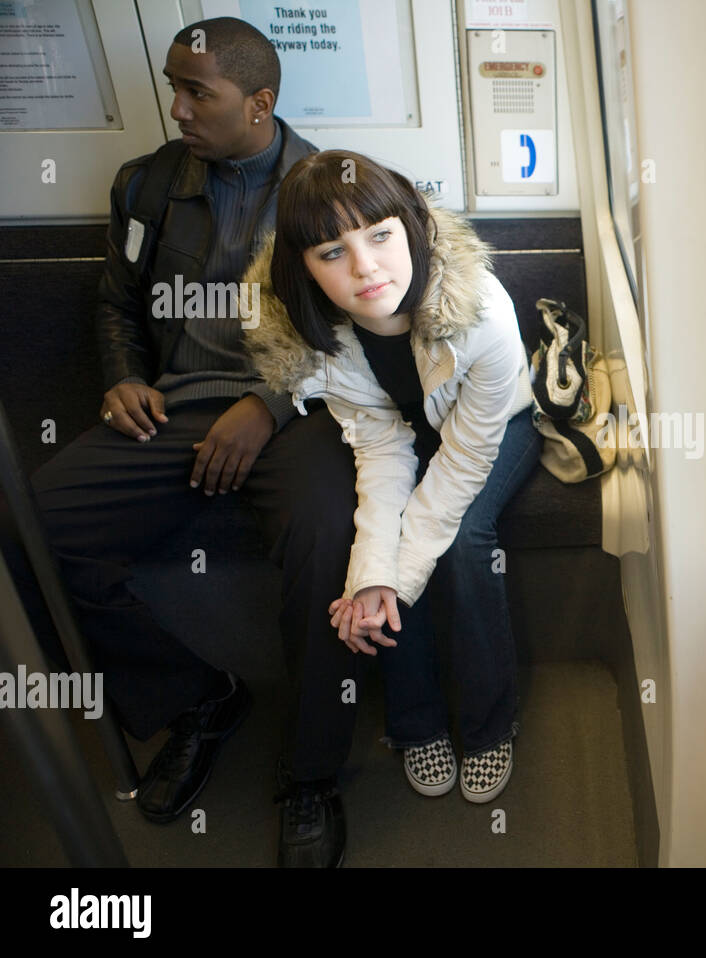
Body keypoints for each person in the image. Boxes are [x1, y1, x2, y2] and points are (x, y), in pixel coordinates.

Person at [2, 18, 354, 867]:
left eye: (199, 92)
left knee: (327, 535)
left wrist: (267, 405)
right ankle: (197, 699)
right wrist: (122, 376)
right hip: (175, 410)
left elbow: (356, 323)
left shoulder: (325, 188)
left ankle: (309, 776)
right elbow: (118, 305)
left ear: (260, 104)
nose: (177, 107)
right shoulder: (148, 185)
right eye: (174, 85)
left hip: (299, 411)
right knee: (31, 529)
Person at [242, 150, 539, 804]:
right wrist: (372, 579)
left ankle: (491, 724)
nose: (365, 266)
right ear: (304, 269)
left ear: (410, 227)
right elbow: (380, 446)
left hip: (496, 426)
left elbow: (462, 460)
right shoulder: (312, 339)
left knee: (459, 542)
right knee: (377, 558)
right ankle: (417, 722)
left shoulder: (481, 310)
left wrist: (393, 579)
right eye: (331, 253)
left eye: (379, 236)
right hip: (403, 436)